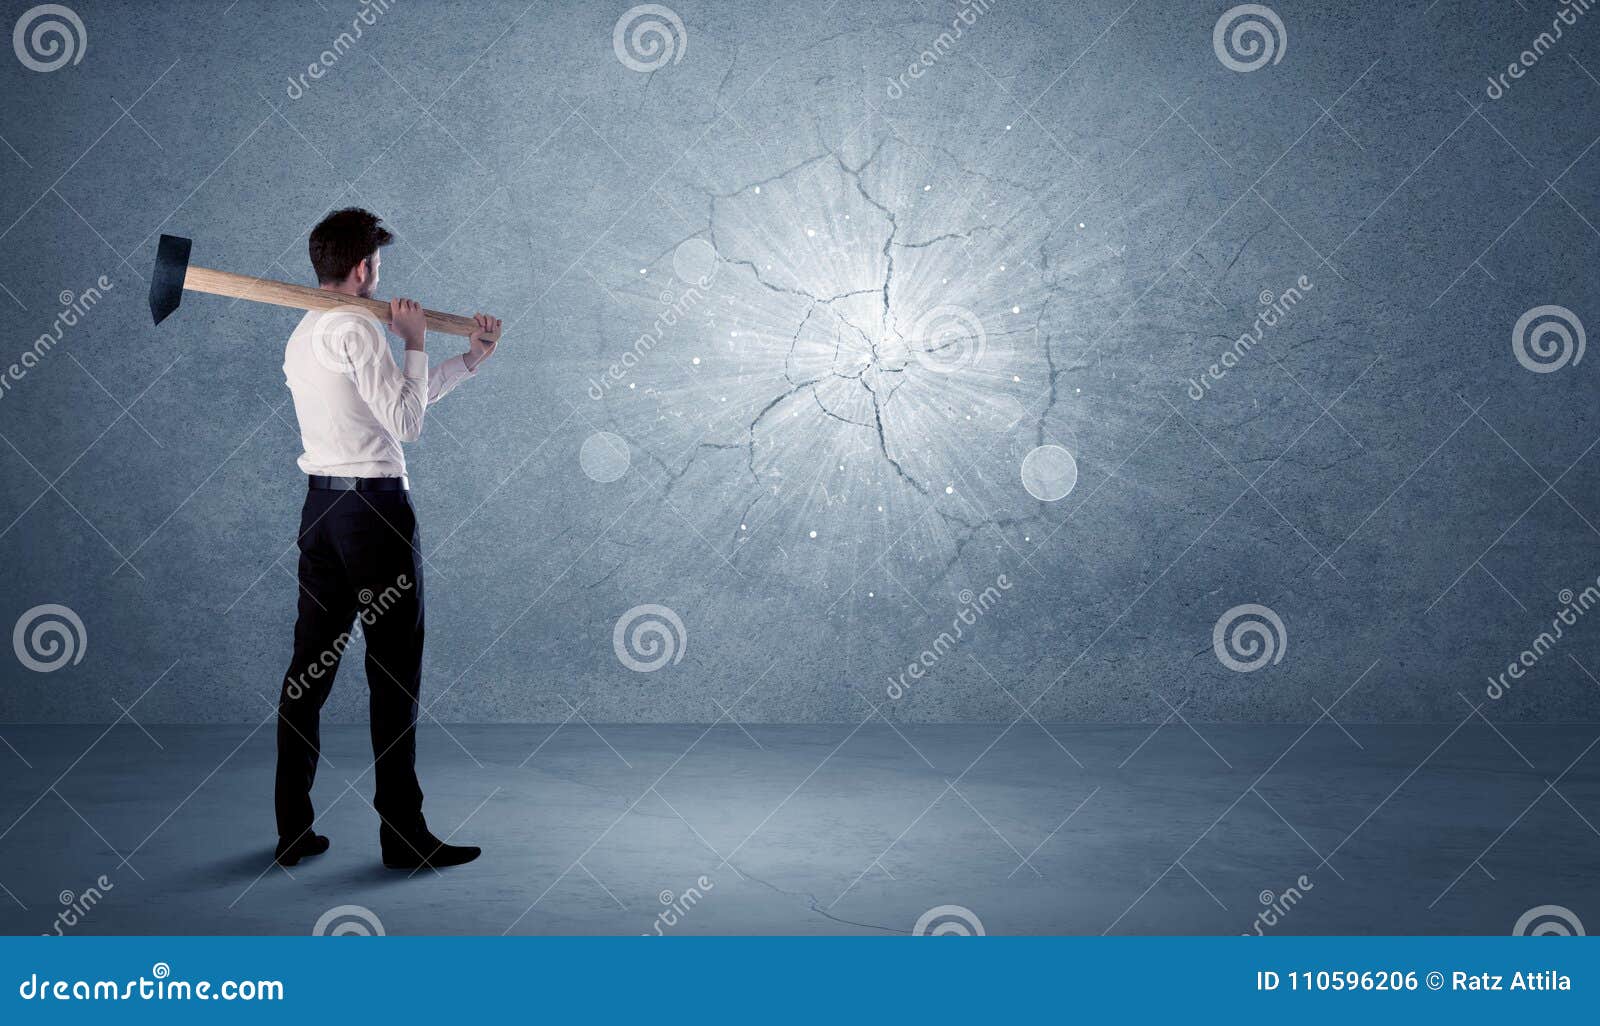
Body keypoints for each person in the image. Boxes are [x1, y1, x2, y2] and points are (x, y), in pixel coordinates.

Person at [272, 207, 499, 869]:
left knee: (308, 669)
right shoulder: (360, 329)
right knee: (394, 674)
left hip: (320, 513)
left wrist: (468, 360)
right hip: (374, 518)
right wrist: (414, 338)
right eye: (378, 266)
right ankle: (403, 837)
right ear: (364, 267)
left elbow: (399, 401)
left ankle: (292, 829)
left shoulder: (305, 330)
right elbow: (406, 422)